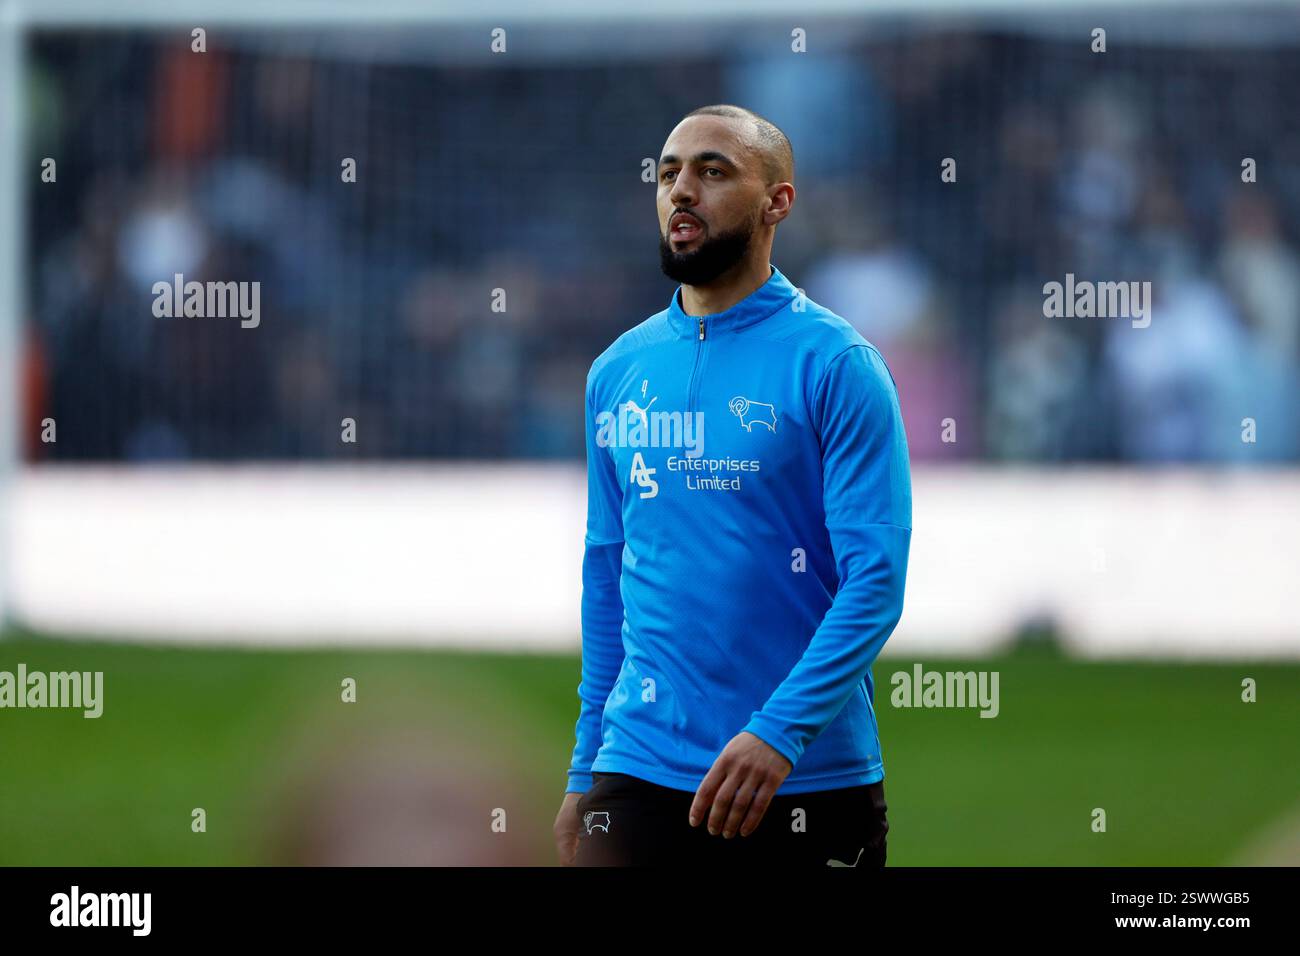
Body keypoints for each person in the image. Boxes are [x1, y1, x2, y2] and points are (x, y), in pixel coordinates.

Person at [553, 105, 911, 867]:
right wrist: (588, 764)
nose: (683, 189)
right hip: (638, 772)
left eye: (713, 171)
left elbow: (875, 582)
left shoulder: (837, 366)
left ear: (777, 202)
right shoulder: (617, 371)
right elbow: (606, 577)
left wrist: (778, 732)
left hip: (804, 782)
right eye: (669, 172)